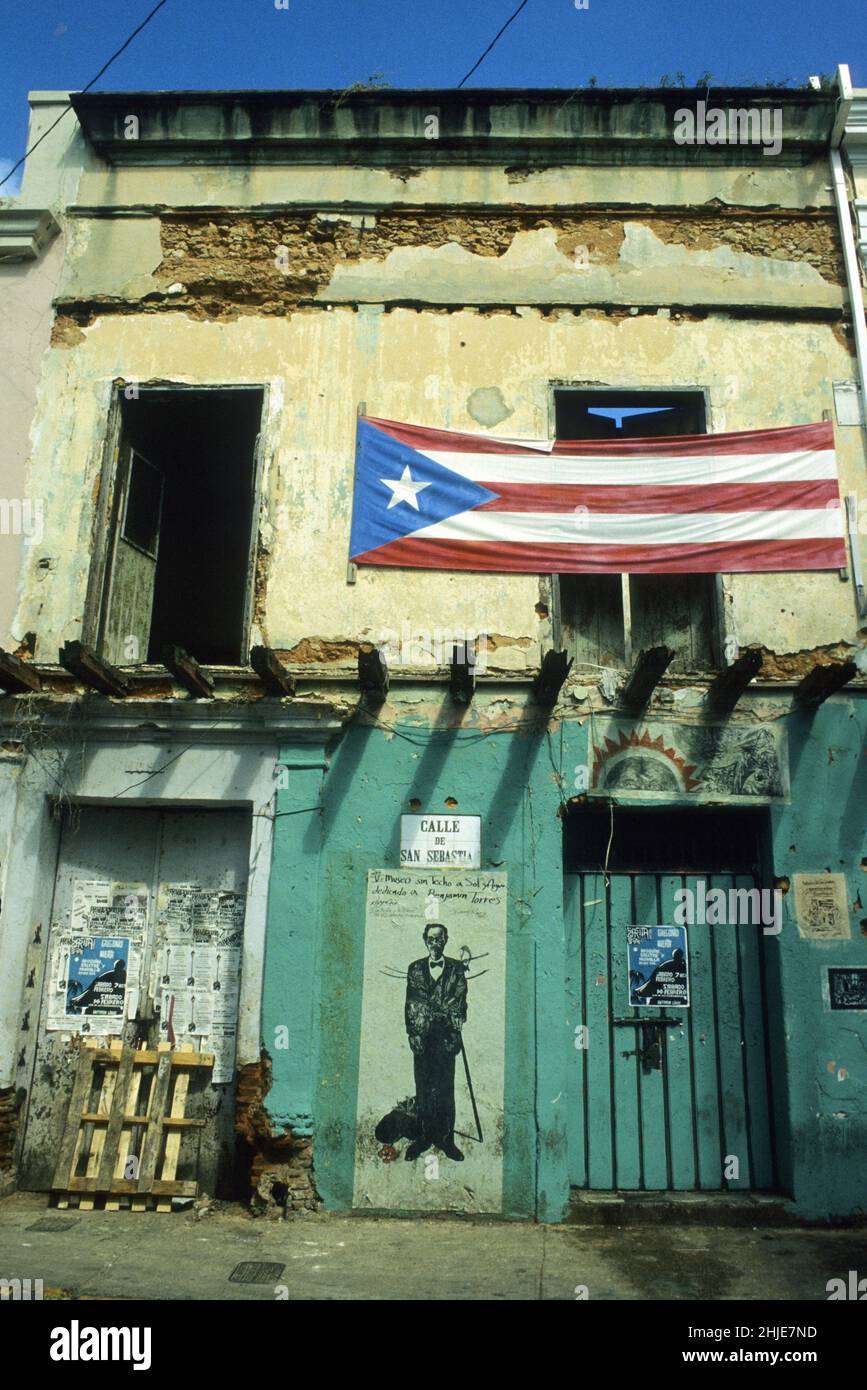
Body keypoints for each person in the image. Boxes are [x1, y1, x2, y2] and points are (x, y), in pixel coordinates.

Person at [404, 923, 467, 1162]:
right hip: (423, 1038)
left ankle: (446, 1140)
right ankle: (423, 1137)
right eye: (431, 939)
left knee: (445, 1090)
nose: (435, 944)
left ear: (446, 940)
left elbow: (459, 1001)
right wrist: (413, 1032)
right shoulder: (415, 969)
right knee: (423, 1089)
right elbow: (412, 1003)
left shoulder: (457, 969)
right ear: (425, 941)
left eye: (439, 939)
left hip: (446, 1038)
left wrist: (456, 1016)